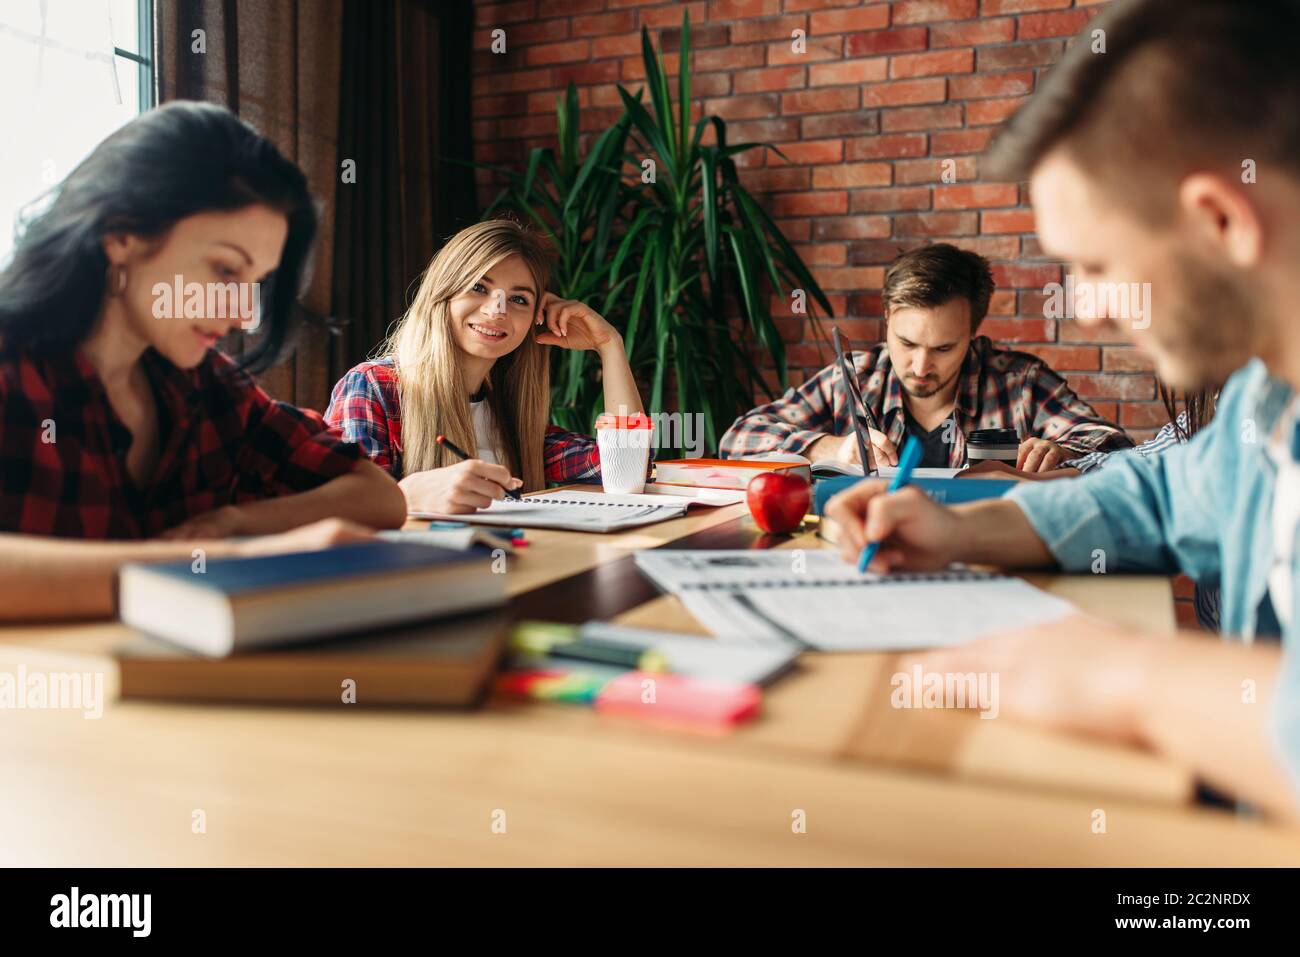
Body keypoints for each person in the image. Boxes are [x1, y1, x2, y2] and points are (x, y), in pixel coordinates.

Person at [825, 0, 1300, 817]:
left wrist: (1118, 674)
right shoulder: (1267, 397)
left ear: (1222, 219)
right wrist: (963, 526)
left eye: (1094, 263)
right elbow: (1157, 492)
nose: (1083, 309)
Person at [0, 101, 406, 621]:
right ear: (123, 236)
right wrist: (229, 562)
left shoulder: (205, 386)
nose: (243, 315)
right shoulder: (17, 372)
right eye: (224, 270)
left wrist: (234, 523)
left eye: (255, 282)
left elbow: (379, 496)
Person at [325, 218, 645, 514]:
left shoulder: (509, 413)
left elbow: (626, 469)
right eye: (479, 287)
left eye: (519, 299)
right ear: (443, 293)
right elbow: (340, 510)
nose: (497, 310)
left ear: (536, 319)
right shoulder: (374, 388)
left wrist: (609, 345)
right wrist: (407, 497)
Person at [719, 243, 1131, 472]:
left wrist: (1064, 453)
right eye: (906, 343)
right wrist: (830, 448)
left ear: (973, 333)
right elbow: (738, 439)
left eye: (944, 348)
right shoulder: (857, 376)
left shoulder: (1020, 383)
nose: (920, 367)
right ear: (886, 319)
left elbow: (1116, 448)